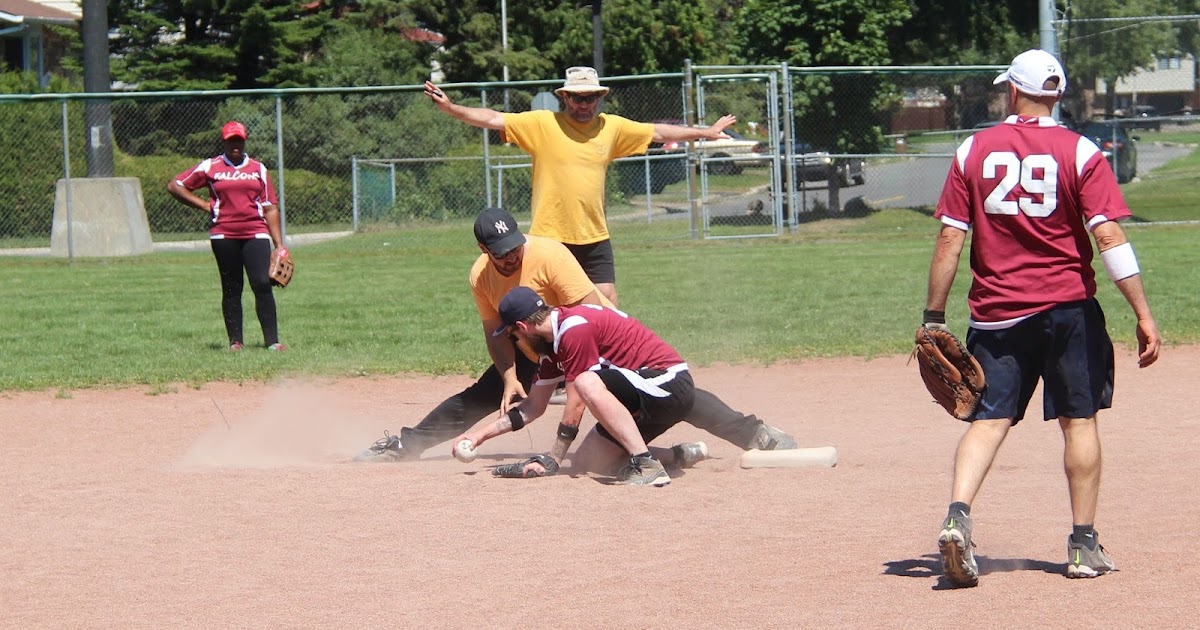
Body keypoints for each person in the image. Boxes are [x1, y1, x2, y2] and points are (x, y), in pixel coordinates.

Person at [923, 49, 1161, 587]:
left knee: (988, 421)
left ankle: (957, 516)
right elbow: (1108, 237)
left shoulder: (973, 149)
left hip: (998, 313)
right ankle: (1083, 545)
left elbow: (949, 238)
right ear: (1058, 93)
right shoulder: (1081, 151)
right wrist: (1142, 313)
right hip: (1069, 309)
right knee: (1079, 421)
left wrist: (933, 314)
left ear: (1012, 90)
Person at [356, 207, 795, 463]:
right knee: (482, 394)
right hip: (534, 343)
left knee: (670, 391)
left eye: (515, 250)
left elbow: (589, 309)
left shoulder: (548, 254)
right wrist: (509, 378)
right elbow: (495, 332)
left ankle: (752, 434)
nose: (511, 259)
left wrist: (578, 375)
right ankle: (407, 445)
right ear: (483, 251)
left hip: (590, 336)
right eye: (501, 255)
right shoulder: (481, 276)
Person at [423, 66, 737, 307]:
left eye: (590, 97)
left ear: (600, 97)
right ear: (565, 97)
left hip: (594, 234)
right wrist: (452, 109)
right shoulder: (543, 124)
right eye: (576, 97)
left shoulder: (611, 127)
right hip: (550, 235)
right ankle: (553, 376)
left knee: (606, 304)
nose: (583, 104)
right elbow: (494, 119)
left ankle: (601, 373)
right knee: (548, 307)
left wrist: (705, 133)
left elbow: (657, 132)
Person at [450, 286, 758, 486]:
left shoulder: (573, 330)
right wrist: (479, 436)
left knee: (583, 381)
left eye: (513, 336)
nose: (516, 342)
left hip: (667, 383)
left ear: (522, 327)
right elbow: (533, 407)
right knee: (589, 461)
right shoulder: (550, 347)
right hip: (643, 394)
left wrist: (554, 458)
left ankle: (645, 464)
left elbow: (578, 401)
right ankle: (679, 455)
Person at [167, 120, 289, 351]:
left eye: (239, 140)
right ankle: (236, 341)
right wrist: (203, 205)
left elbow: (270, 207)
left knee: (262, 283)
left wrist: (279, 245)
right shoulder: (210, 167)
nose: (235, 144)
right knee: (232, 287)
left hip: (255, 231)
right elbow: (176, 185)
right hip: (224, 234)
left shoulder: (258, 169)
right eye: (231, 140)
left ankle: (272, 341)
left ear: (244, 141)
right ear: (224, 141)